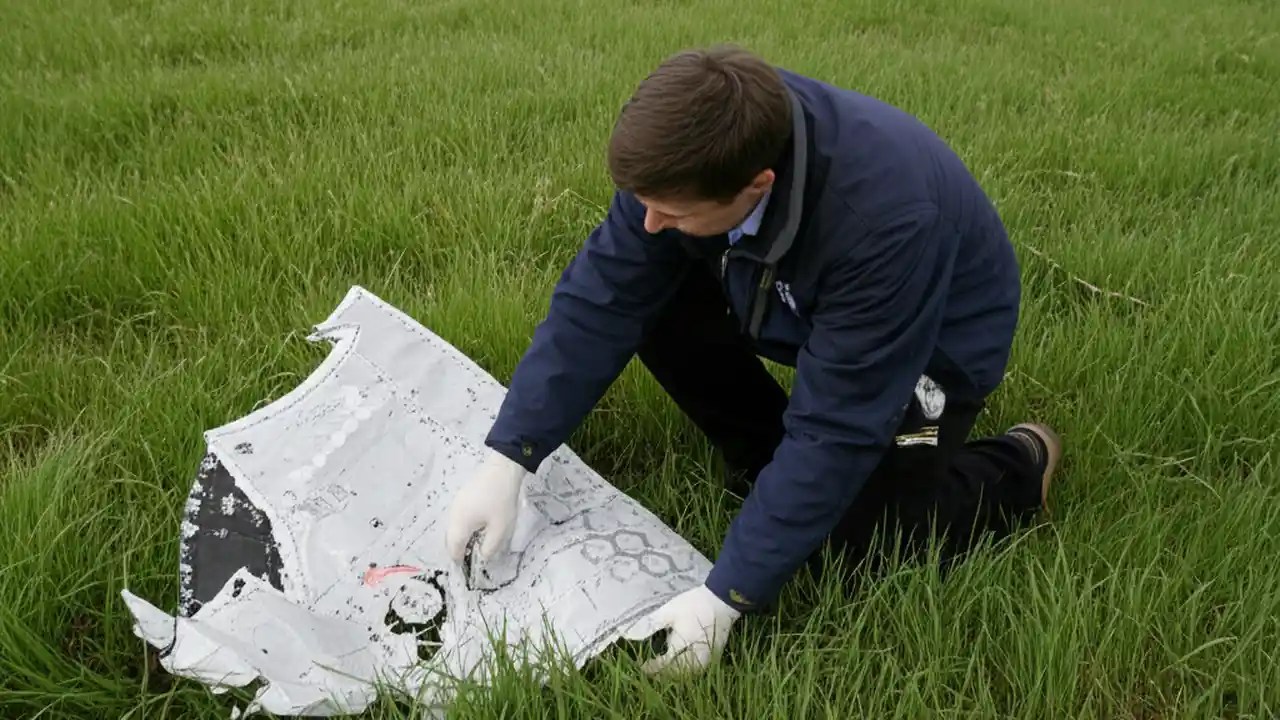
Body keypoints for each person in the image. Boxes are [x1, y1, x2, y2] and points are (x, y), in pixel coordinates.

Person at [444, 45, 1063, 675]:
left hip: (930, 345)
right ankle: (768, 467)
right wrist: (509, 458)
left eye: (674, 211)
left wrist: (725, 597)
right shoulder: (694, 145)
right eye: (643, 203)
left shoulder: (886, 223)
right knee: (650, 299)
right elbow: (600, 300)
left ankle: (1015, 466)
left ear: (756, 186)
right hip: (794, 297)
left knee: (858, 544)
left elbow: (837, 429)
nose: (650, 222)